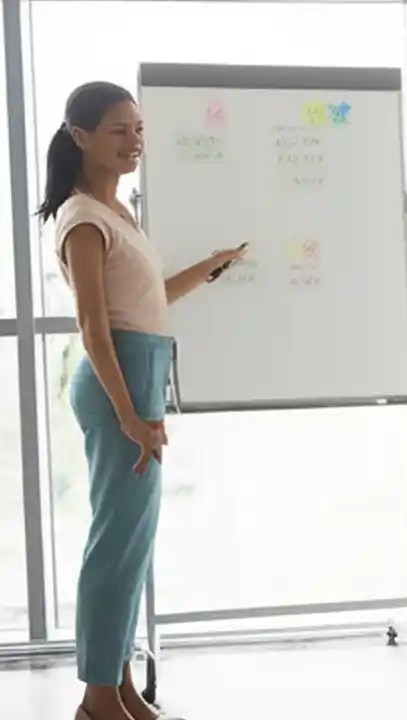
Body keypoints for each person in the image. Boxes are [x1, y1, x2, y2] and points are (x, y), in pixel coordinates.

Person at [38, 81, 247, 720]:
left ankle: (119, 686)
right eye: (118, 131)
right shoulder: (82, 219)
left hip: (139, 372)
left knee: (132, 542)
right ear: (80, 138)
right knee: (115, 541)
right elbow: (95, 329)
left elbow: (149, 296)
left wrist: (212, 265)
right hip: (116, 384)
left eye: (139, 130)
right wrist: (130, 414)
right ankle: (98, 697)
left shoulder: (119, 212)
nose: (134, 143)